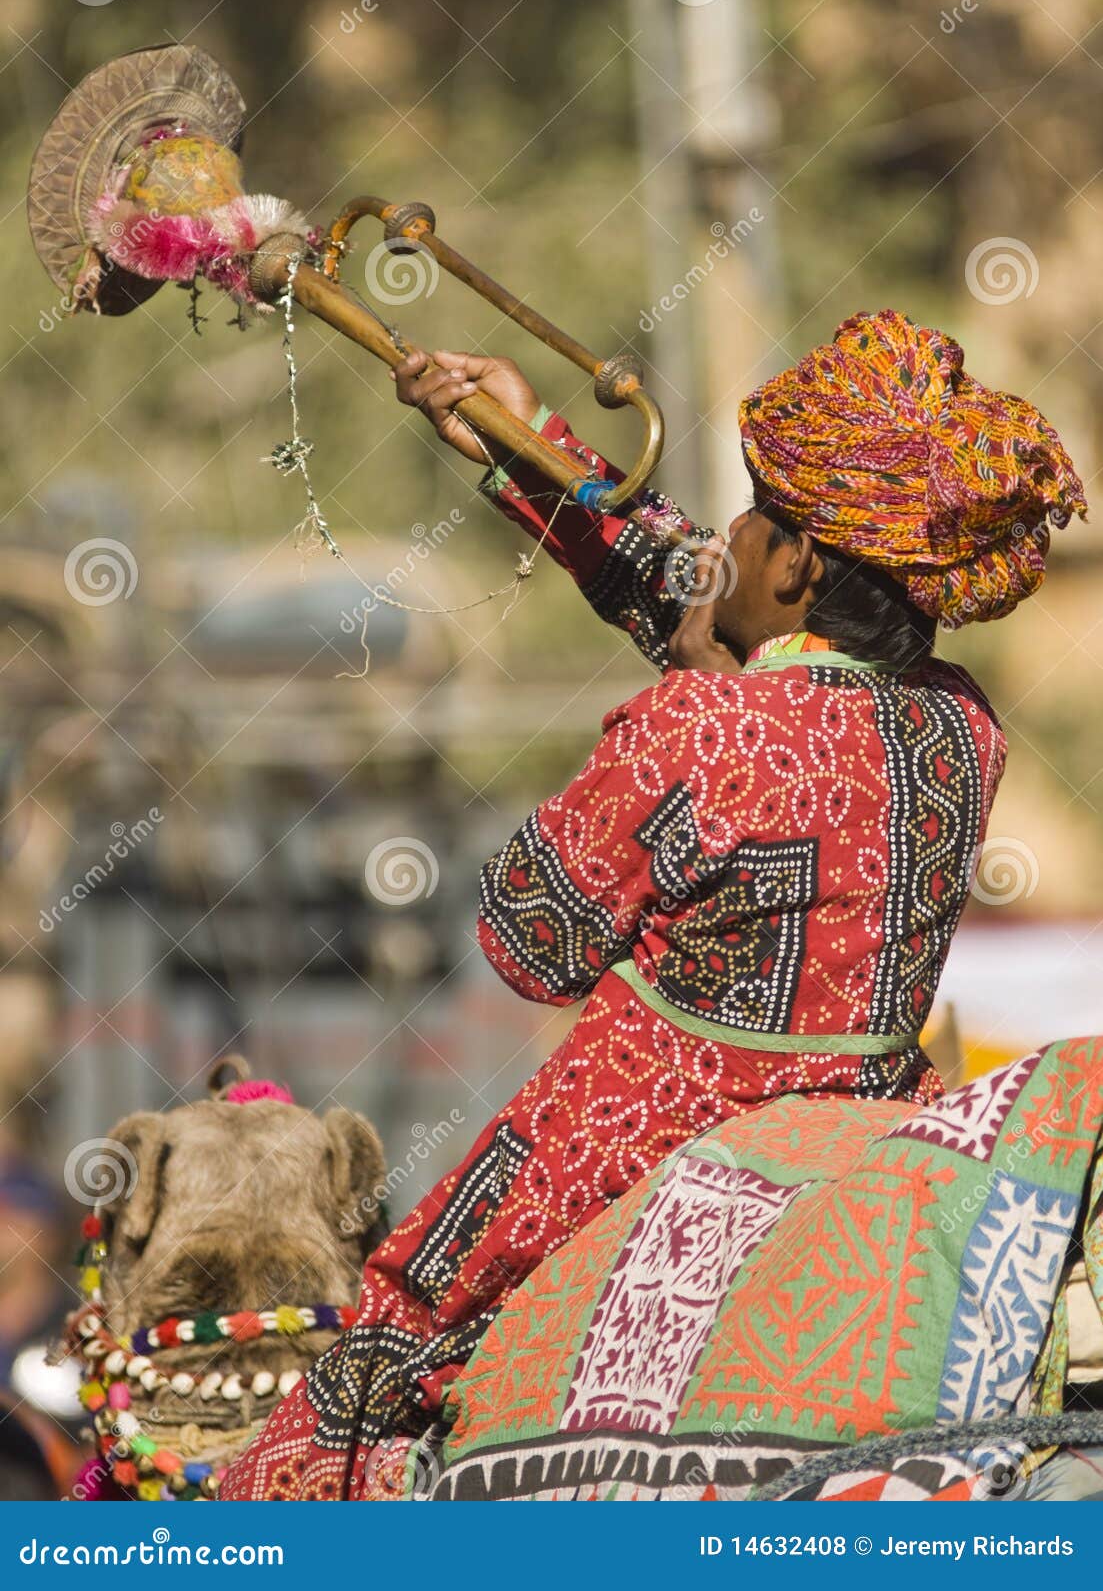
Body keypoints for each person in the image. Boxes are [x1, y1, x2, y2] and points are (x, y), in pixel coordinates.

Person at [220, 309, 1086, 1501]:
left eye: (747, 518)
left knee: (361, 1391)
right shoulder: (959, 723)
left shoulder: (702, 720)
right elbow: (688, 578)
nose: (721, 538)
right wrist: (524, 440)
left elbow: (529, 936)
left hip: (624, 1137)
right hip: (873, 1103)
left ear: (793, 566)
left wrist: (686, 695)